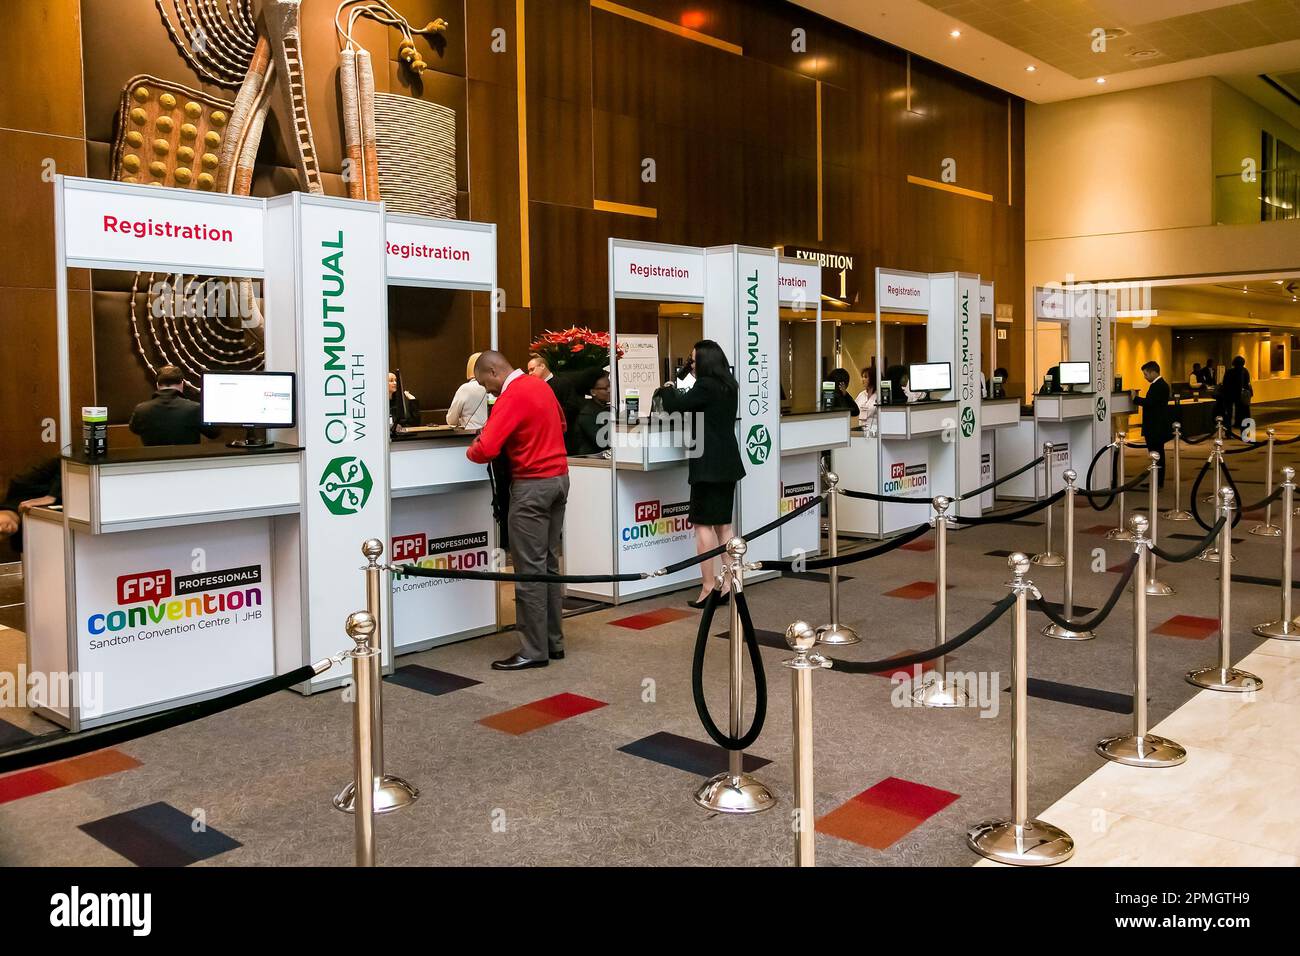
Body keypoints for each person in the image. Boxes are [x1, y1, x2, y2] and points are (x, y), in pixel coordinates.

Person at [466, 351, 569, 670]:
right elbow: (562, 425)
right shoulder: (540, 386)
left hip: (532, 486)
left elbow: (485, 450)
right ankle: (553, 642)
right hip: (559, 480)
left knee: (528, 570)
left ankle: (533, 650)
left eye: (487, 383)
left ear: (495, 371)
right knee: (549, 564)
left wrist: (473, 446)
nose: (489, 391)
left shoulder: (513, 395)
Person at [655, 340, 746, 608]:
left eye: (693, 360)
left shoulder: (705, 386)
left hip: (708, 464)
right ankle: (730, 583)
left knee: (703, 525)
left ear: (704, 361)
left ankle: (708, 586)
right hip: (727, 462)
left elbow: (676, 406)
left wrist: (667, 388)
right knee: (724, 526)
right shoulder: (729, 385)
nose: (690, 365)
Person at [129, 366, 220, 446]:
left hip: (153, 463)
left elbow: (134, 430)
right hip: (187, 463)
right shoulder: (195, 408)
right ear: (182, 384)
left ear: (157, 385)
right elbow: (214, 434)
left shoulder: (141, 409)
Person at [0, 457, 62, 554]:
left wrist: (52, 495)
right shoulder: (22, 544)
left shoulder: (21, 485)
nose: (2, 530)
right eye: (0, 535)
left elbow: (62, 460)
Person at [1133, 360, 1172, 488]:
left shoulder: (1158, 386)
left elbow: (1150, 403)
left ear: (1153, 372)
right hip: (1157, 426)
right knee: (1157, 453)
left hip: (1155, 426)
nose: (1145, 377)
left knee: (1156, 454)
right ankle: (1156, 481)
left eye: (1145, 374)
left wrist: (1135, 398)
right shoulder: (1161, 385)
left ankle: (1157, 481)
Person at [446, 352, 489, 430]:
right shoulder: (495, 386)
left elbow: (451, 420)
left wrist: (461, 420)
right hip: (492, 434)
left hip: (471, 435)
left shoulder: (465, 389)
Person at [572, 373, 612, 456]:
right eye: (605, 388)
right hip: (591, 462)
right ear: (593, 392)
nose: (609, 390)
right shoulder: (587, 414)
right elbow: (602, 441)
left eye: (610, 386)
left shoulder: (608, 409)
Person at [1217, 355, 1252, 437]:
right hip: (1240, 396)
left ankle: (1228, 432)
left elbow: (1225, 384)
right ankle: (1245, 432)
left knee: (1228, 415)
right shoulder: (1244, 371)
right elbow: (1247, 384)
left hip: (1229, 395)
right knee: (1243, 414)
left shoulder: (1229, 372)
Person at [854, 366, 878, 431]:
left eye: (865, 377)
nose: (863, 379)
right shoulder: (861, 394)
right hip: (861, 429)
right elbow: (853, 409)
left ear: (873, 378)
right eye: (862, 377)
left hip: (875, 430)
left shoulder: (879, 395)